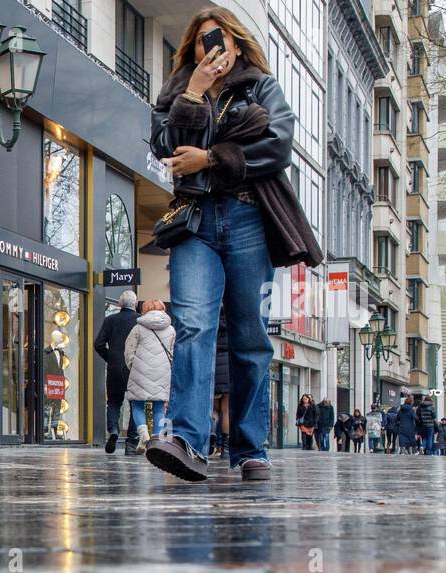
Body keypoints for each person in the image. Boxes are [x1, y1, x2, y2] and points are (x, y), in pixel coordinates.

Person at [146, 6, 321, 482]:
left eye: (219, 37)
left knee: (249, 335)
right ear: (192, 48)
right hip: (195, 221)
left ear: (238, 43)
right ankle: (186, 440)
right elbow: (162, 145)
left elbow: (278, 146)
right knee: (195, 325)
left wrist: (210, 157)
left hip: (246, 215)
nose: (211, 47)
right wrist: (195, 93)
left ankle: (248, 447)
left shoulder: (262, 86)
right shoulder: (177, 91)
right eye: (202, 39)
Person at [123, 300, 177, 453]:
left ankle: (143, 434)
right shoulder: (171, 330)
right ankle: (156, 440)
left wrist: (132, 365)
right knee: (159, 406)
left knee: (137, 404)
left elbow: (129, 350)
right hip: (163, 370)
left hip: (140, 369)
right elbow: (174, 352)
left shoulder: (138, 328)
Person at [93, 290, 142, 454]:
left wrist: (111, 359)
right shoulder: (140, 321)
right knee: (135, 403)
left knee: (113, 402)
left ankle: (113, 430)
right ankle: (131, 443)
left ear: (119, 304)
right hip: (134, 368)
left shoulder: (110, 320)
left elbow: (98, 344)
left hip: (114, 367)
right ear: (135, 304)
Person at [210, 309, 231, 457]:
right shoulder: (232, 325)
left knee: (214, 410)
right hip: (228, 369)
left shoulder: (212, 324)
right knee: (226, 411)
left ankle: (211, 433)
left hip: (213, 369)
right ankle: (225, 447)